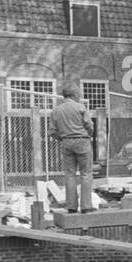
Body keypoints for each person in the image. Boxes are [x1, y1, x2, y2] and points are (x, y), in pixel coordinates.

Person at [49, 81, 95, 212]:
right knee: (86, 174)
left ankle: (71, 207)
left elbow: (52, 131)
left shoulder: (56, 110)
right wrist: (88, 135)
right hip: (82, 141)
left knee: (70, 175)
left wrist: (63, 138)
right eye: (78, 94)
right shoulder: (80, 107)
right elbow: (89, 125)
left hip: (66, 142)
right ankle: (86, 207)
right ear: (74, 94)